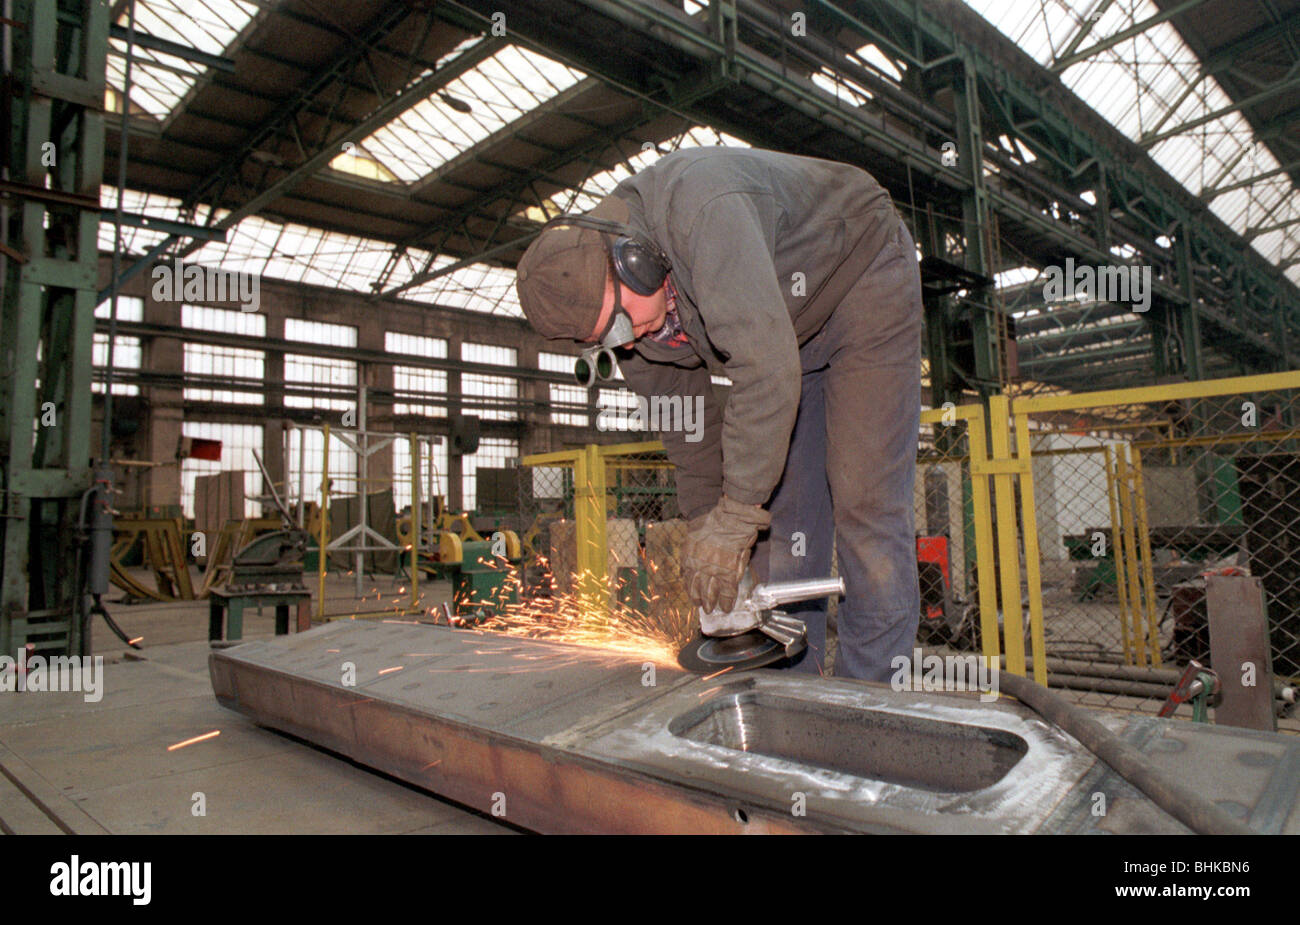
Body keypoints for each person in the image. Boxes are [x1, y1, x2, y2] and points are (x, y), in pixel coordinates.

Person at [514, 146, 921, 680]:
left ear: (633, 261)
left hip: (862, 283)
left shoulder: (704, 209)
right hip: (783, 331)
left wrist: (735, 519)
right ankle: (792, 696)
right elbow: (693, 435)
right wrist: (708, 527)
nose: (627, 341)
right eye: (607, 341)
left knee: (865, 506)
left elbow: (765, 371)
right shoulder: (629, 330)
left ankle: (875, 700)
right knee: (784, 526)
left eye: (619, 324)